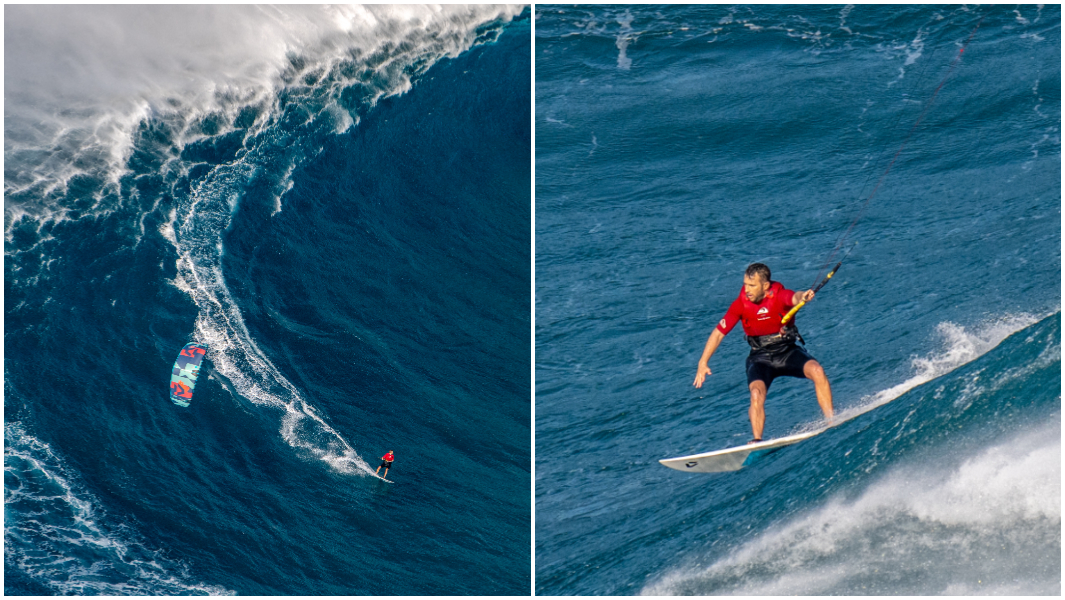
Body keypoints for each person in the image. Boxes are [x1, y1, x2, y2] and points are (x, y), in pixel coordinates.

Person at [693, 263, 833, 443]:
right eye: (745, 284)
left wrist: (803, 296)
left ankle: (831, 422)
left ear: (765, 286)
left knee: (817, 371)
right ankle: (757, 440)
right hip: (760, 358)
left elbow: (793, 297)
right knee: (756, 394)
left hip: (786, 351)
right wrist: (702, 362)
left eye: (752, 285)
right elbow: (718, 333)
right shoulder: (741, 304)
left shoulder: (778, 294)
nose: (747, 290)